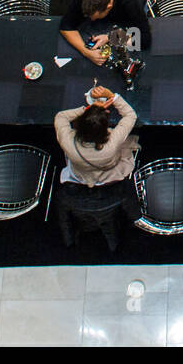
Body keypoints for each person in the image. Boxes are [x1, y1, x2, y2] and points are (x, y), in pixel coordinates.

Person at [52, 86, 142, 246]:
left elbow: (61, 116)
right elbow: (130, 115)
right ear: (105, 130)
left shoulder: (67, 139)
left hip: (80, 175)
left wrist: (89, 110)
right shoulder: (112, 143)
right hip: (109, 176)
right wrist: (111, 96)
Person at [59, 0, 152, 64]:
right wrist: (86, 52)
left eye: (96, 17)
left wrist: (111, 37)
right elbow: (65, 27)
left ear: (108, 7)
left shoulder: (131, 3)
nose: (91, 20)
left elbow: (144, 39)